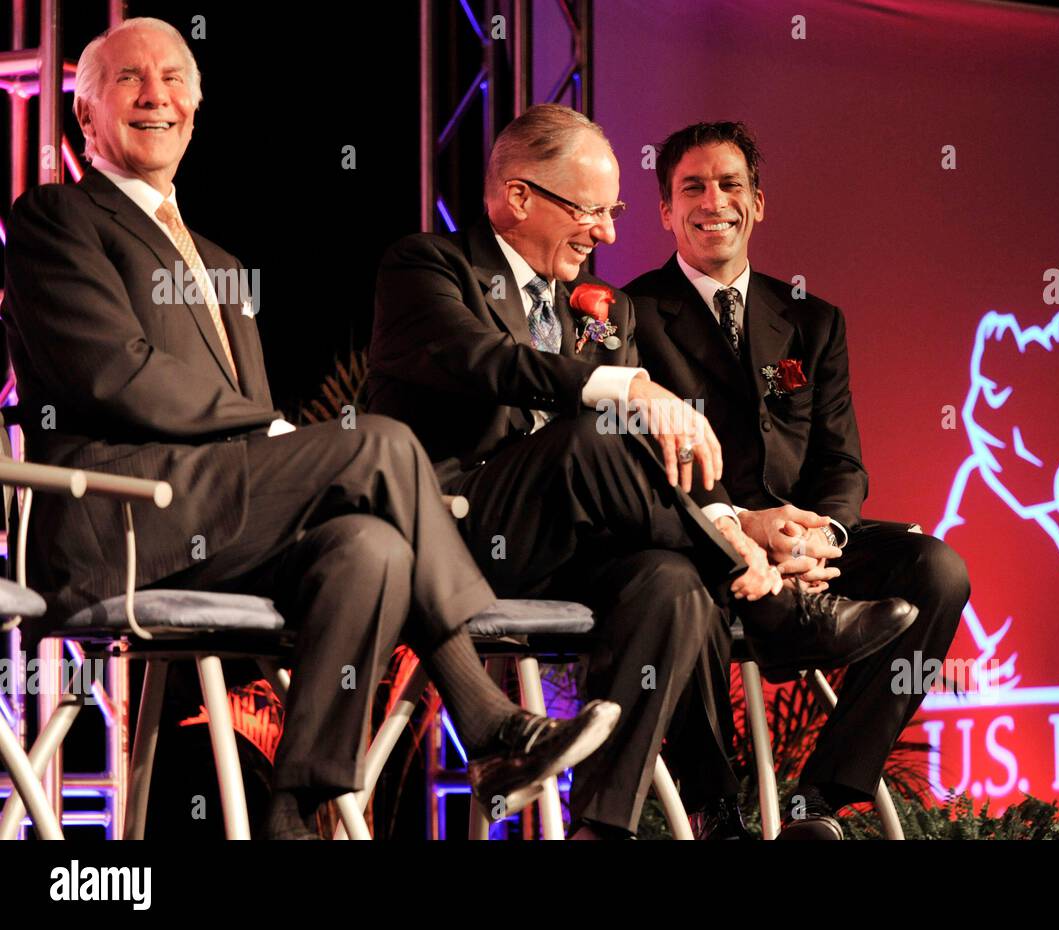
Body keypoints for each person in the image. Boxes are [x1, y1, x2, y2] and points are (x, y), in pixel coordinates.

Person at [0, 18, 616, 840]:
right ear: (85, 116)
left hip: (221, 518)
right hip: (121, 516)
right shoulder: (53, 218)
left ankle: (295, 807)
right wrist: (277, 427)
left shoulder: (220, 263)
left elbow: (247, 427)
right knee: (383, 444)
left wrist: (277, 439)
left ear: (197, 105)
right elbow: (115, 375)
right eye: (128, 80)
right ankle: (490, 720)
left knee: (373, 546)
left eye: (175, 79)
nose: (157, 96)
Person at [366, 104, 916, 839]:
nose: (609, 233)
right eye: (591, 210)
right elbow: (486, 361)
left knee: (672, 583)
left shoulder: (602, 309)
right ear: (520, 197)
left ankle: (605, 823)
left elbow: (657, 457)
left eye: (614, 210)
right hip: (457, 538)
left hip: (566, 551)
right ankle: (776, 609)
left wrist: (735, 520)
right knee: (603, 430)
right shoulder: (428, 266)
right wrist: (624, 389)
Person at [625, 121, 971, 840]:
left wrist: (822, 538)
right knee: (676, 574)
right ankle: (719, 815)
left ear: (758, 203)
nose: (712, 200)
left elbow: (842, 462)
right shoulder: (628, 316)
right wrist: (741, 525)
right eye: (692, 186)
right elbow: (635, 464)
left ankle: (819, 802)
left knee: (936, 569)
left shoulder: (814, 320)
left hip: (804, 539)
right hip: (699, 534)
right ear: (665, 210)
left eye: (730, 184)